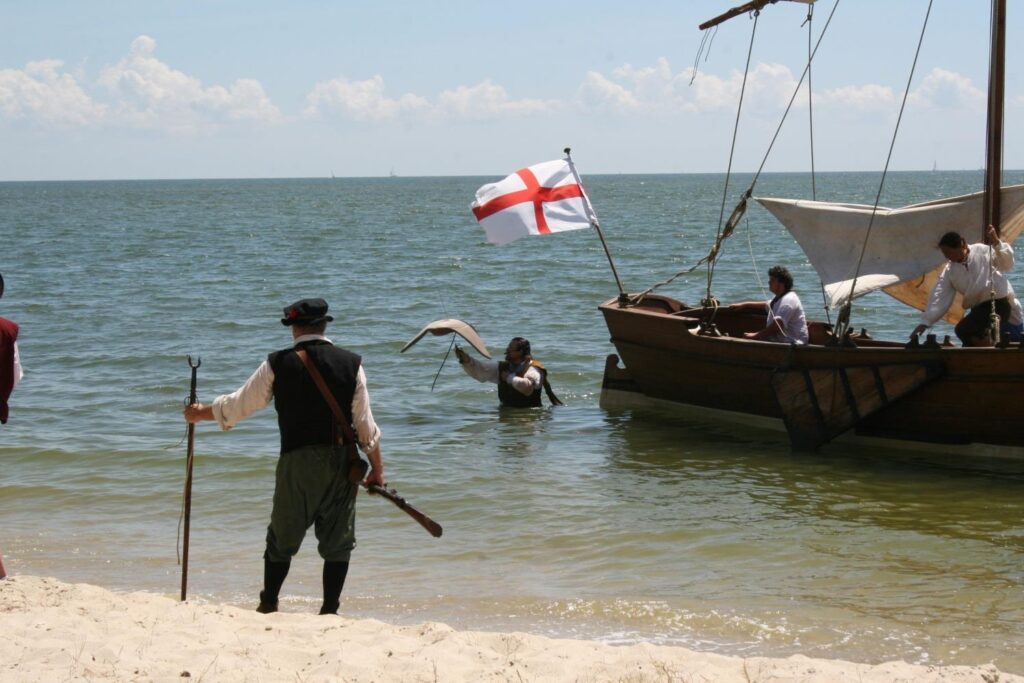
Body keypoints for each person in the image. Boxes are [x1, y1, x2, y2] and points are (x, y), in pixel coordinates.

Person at [183, 298, 384, 615]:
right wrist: (378, 471)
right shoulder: (352, 364)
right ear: (324, 324)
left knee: (282, 537)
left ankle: (269, 603)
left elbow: (241, 404)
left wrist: (200, 414)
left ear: (295, 327)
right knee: (338, 540)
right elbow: (365, 426)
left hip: (296, 463)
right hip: (342, 463)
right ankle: (330, 610)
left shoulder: (277, 363)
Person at [911, 226, 1023, 346]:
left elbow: (1007, 264)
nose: (946, 256)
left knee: (967, 331)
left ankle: (988, 351)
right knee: (964, 332)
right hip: (979, 309)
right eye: (944, 253)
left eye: (948, 252)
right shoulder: (950, 270)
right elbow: (940, 295)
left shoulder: (982, 251)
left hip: (1000, 305)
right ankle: (982, 354)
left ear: (961, 246)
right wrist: (925, 322)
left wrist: (996, 242)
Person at [454, 337, 562, 407]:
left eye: (510, 349)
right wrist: (466, 360)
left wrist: (509, 378)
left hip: (530, 419)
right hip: (506, 417)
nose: (507, 351)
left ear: (520, 352)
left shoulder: (534, 369)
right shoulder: (502, 367)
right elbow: (481, 370)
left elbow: (527, 388)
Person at [727, 265, 809, 344]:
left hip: (793, 343)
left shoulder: (788, 300)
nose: (769, 282)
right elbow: (766, 305)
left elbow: (777, 325)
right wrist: (745, 304)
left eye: (772, 280)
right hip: (781, 341)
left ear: (781, 283)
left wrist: (755, 335)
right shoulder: (779, 298)